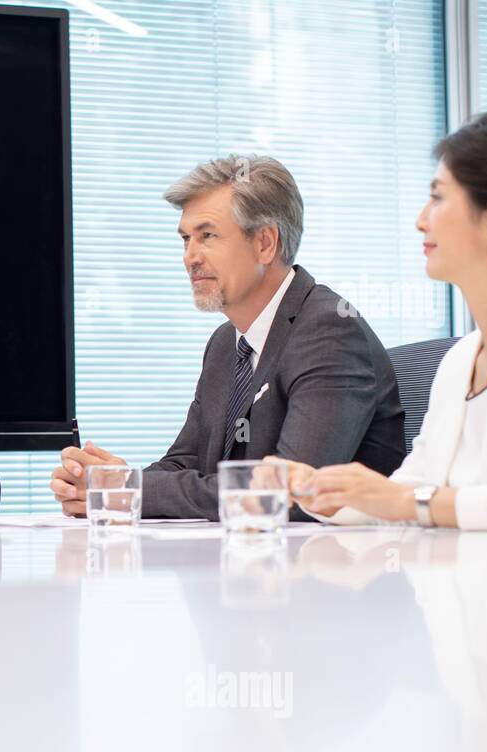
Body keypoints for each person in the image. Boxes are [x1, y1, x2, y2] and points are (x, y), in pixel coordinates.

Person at [273, 112, 487, 530]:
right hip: (469, 589)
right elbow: (408, 494)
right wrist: (313, 490)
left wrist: (410, 501)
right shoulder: (461, 359)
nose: (421, 220)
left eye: (438, 197)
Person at [50, 156, 404, 520]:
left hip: (341, 566)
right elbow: (186, 462)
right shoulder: (225, 342)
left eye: (207, 236)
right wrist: (108, 484)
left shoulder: (330, 331)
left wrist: (133, 490)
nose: (190, 257)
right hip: (251, 561)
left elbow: (288, 497)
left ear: (265, 243)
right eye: (186, 239)